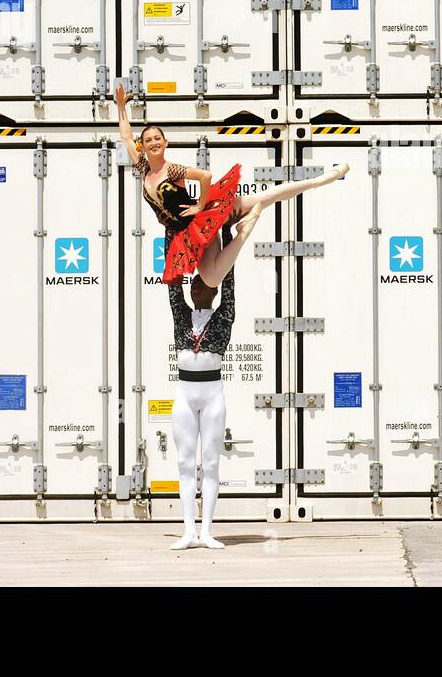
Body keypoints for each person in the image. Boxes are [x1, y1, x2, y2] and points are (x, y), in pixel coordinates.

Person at [115, 80, 350, 288]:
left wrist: (200, 205)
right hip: (187, 233)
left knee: (265, 197)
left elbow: (205, 176)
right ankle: (245, 229)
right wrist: (121, 107)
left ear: (166, 143)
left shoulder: (172, 169)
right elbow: (126, 136)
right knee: (210, 278)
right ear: (142, 147)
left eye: (157, 138)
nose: (153, 142)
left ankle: (319, 180)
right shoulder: (143, 168)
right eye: (148, 140)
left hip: (202, 219)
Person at [167, 206, 260, 551]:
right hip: (185, 393)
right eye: (193, 282)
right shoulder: (182, 318)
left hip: (212, 394)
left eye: (203, 280)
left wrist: (222, 232)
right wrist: (173, 229)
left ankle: (207, 530)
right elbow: (173, 283)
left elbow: (228, 279)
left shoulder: (224, 316)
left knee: (211, 461)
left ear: (214, 286)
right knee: (183, 461)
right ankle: (188, 530)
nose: (195, 284)